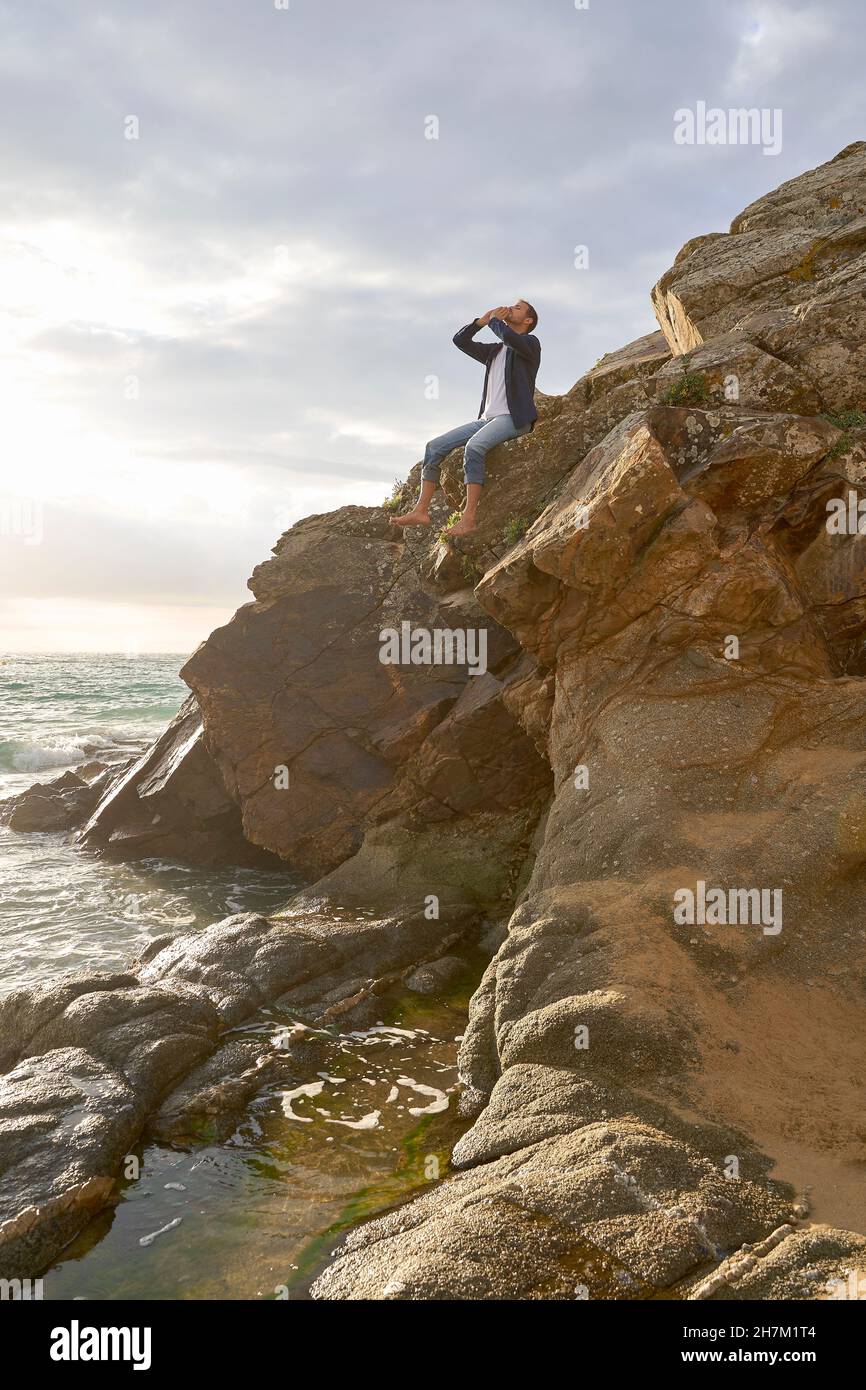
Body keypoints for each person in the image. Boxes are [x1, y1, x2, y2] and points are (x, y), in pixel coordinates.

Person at [391, 299, 541, 537]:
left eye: (517, 308)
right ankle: (421, 510)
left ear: (528, 320)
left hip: (513, 417)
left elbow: (511, 339)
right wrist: (481, 322)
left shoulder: (529, 344)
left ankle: (468, 518)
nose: (510, 308)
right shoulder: (494, 351)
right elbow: (460, 341)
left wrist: (494, 321)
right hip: (487, 419)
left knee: (474, 447)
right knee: (434, 446)